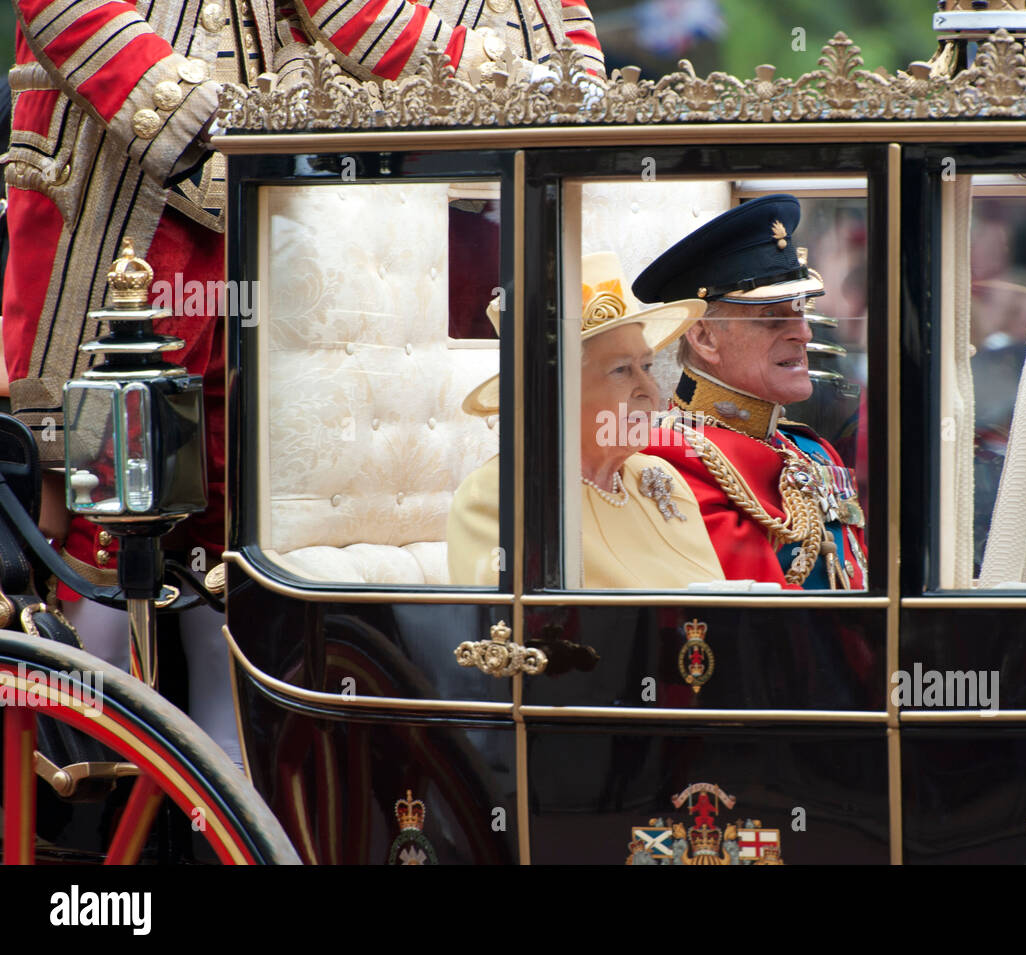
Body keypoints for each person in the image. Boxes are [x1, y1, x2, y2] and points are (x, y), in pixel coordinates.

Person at [3, 0, 604, 767]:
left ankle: (225, 782)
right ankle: (72, 777)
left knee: (240, 504)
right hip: (118, 184)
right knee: (96, 488)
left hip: (278, 194)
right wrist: (193, 113)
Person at [632, 194, 867, 590]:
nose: (803, 332)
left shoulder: (810, 448)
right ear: (704, 337)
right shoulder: (671, 457)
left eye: (801, 310)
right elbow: (760, 616)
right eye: (772, 317)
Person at [448, 252, 724, 588]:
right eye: (621, 370)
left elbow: (716, 603)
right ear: (556, 390)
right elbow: (516, 618)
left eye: (647, 367)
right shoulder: (498, 496)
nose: (650, 391)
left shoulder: (659, 477)